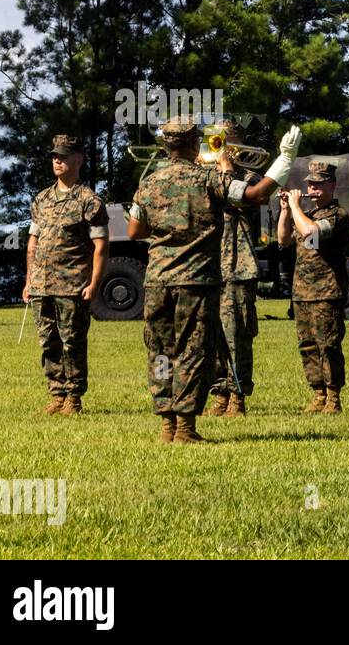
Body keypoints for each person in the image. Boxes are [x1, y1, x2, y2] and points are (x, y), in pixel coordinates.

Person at [127, 116, 297, 442]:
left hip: (157, 281)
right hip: (196, 282)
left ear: (165, 146)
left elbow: (136, 230)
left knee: (161, 352)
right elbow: (257, 195)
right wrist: (285, 159)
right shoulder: (208, 179)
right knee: (192, 352)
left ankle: (166, 424)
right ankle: (186, 428)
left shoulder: (149, 183)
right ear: (194, 144)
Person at [24, 134, 108, 416]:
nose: (57, 160)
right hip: (41, 285)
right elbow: (33, 242)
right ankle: (56, 393)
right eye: (54, 156)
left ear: (78, 160)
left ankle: (73, 397)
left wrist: (94, 283)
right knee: (48, 342)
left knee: (73, 343)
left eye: (63, 155)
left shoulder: (89, 201)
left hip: (72, 285)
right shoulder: (42, 199)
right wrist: (28, 281)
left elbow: (101, 246)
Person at [278, 161, 349, 414]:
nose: (313, 188)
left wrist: (297, 207)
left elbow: (311, 232)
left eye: (319, 184)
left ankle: (333, 397)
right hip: (303, 292)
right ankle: (318, 393)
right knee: (307, 345)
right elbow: (283, 238)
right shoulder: (306, 215)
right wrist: (286, 210)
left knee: (328, 345)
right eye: (310, 183)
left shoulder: (337, 215)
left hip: (327, 292)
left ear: (332, 185)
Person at [205, 120, 261, 417]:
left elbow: (242, 199)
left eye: (227, 140)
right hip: (208, 266)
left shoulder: (251, 177)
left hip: (238, 266)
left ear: (239, 143)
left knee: (236, 335)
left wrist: (226, 167)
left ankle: (238, 395)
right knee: (212, 336)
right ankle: (219, 393)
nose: (220, 145)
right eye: (217, 140)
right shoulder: (205, 175)